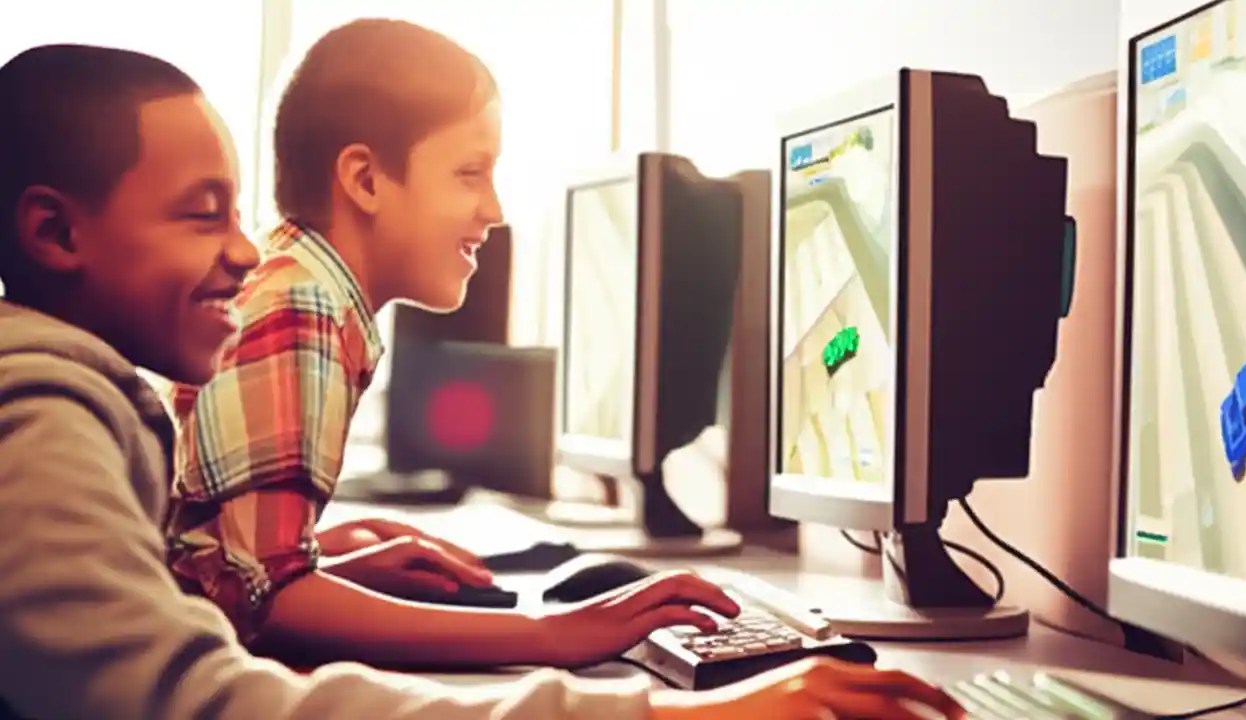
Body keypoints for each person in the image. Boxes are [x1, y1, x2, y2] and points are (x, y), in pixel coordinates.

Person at [0, 40, 965, 720]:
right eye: (471, 172)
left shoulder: (102, 388)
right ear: (366, 180)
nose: (243, 251)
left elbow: (190, 578)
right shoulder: (261, 323)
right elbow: (218, 657)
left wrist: (316, 558)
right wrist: (565, 648)